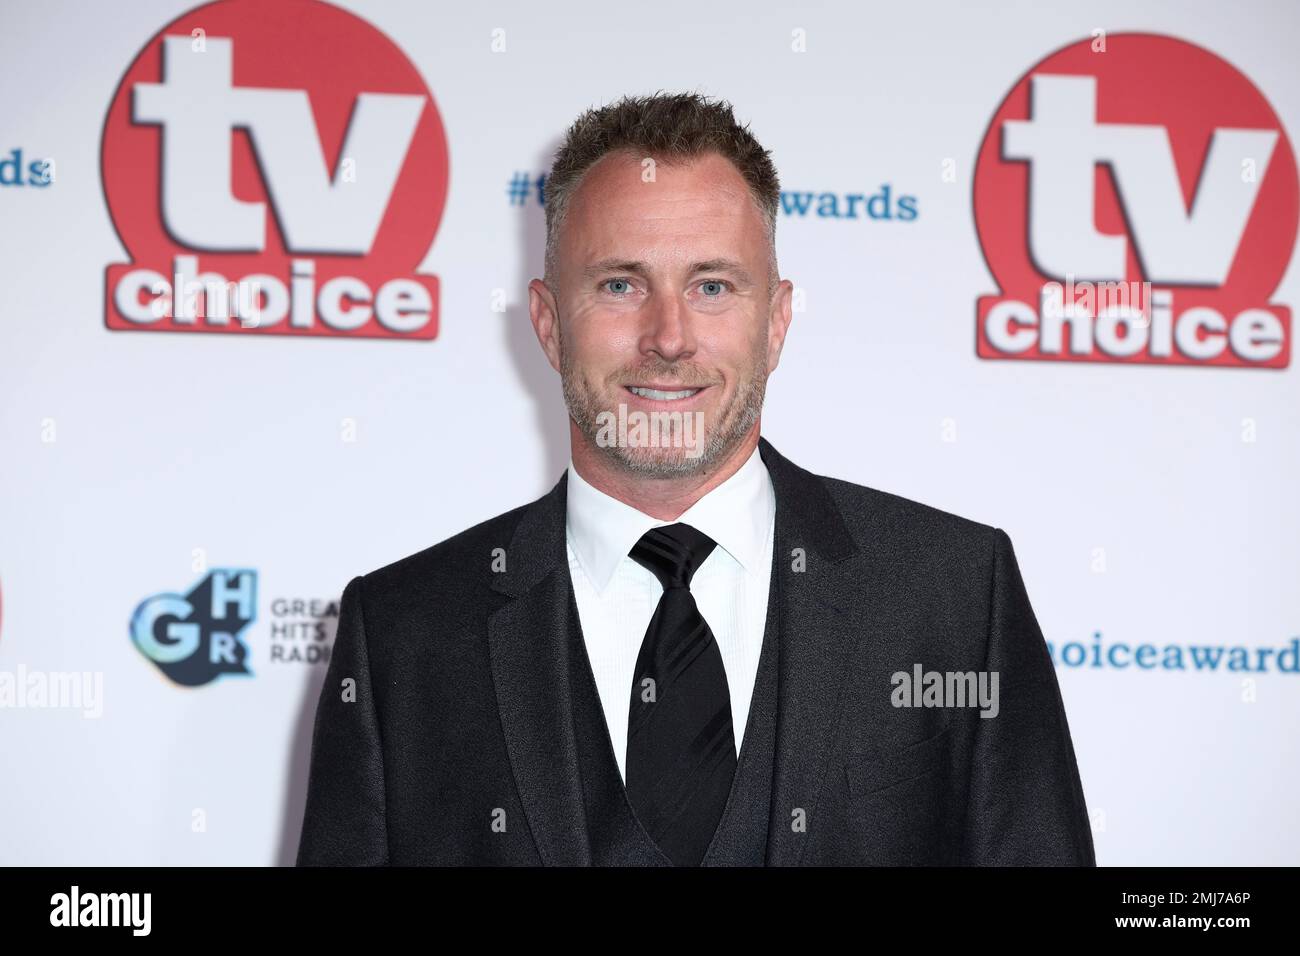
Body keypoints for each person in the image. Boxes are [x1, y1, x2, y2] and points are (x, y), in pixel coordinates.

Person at [296, 91, 1096, 866]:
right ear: (547, 323)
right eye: (620, 285)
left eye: (712, 286)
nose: (669, 337)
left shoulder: (952, 595)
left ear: (776, 322)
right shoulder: (404, 633)